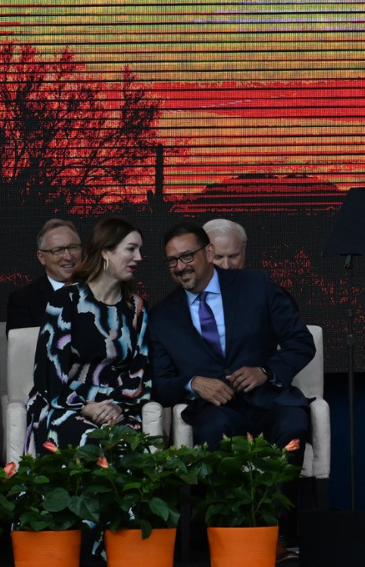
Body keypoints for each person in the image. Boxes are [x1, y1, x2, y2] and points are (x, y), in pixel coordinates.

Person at [149, 221, 315, 560]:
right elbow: (161, 384)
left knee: (293, 424)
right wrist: (194, 383)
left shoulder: (257, 285)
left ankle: (275, 533)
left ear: (209, 253)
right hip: (216, 410)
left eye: (187, 256)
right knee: (213, 429)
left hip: (269, 397)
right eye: (172, 261)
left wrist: (265, 371)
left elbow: (301, 343)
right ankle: (230, 533)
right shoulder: (162, 317)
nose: (180, 266)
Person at [24, 216, 150, 452]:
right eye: (131, 249)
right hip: (62, 403)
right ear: (106, 252)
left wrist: (118, 407)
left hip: (114, 406)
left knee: (126, 445)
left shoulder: (137, 308)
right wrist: (85, 406)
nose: (139, 258)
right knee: (93, 442)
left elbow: (141, 371)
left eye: (139, 250)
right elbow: (49, 374)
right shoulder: (65, 301)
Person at [7, 219, 83, 330]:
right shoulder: (23, 301)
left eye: (73, 247)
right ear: (41, 257)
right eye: (58, 250)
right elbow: (24, 345)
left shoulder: (102, 291)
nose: (68, 257)